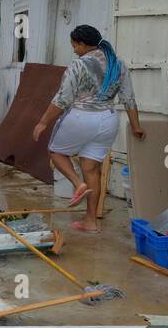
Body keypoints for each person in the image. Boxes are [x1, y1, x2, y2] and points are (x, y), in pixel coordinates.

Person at [32, 24, 145, 233]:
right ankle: (91, 221)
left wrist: (42, 122)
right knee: (91, 169)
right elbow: (129, 98)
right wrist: (136, 126)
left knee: (56, 152)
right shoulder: (117, 64)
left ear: (83, 44)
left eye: (75, 46)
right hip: (109, 120)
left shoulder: (79, 65)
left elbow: (62, 99)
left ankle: (77, 184)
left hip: (81, 117)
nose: (74, 50)